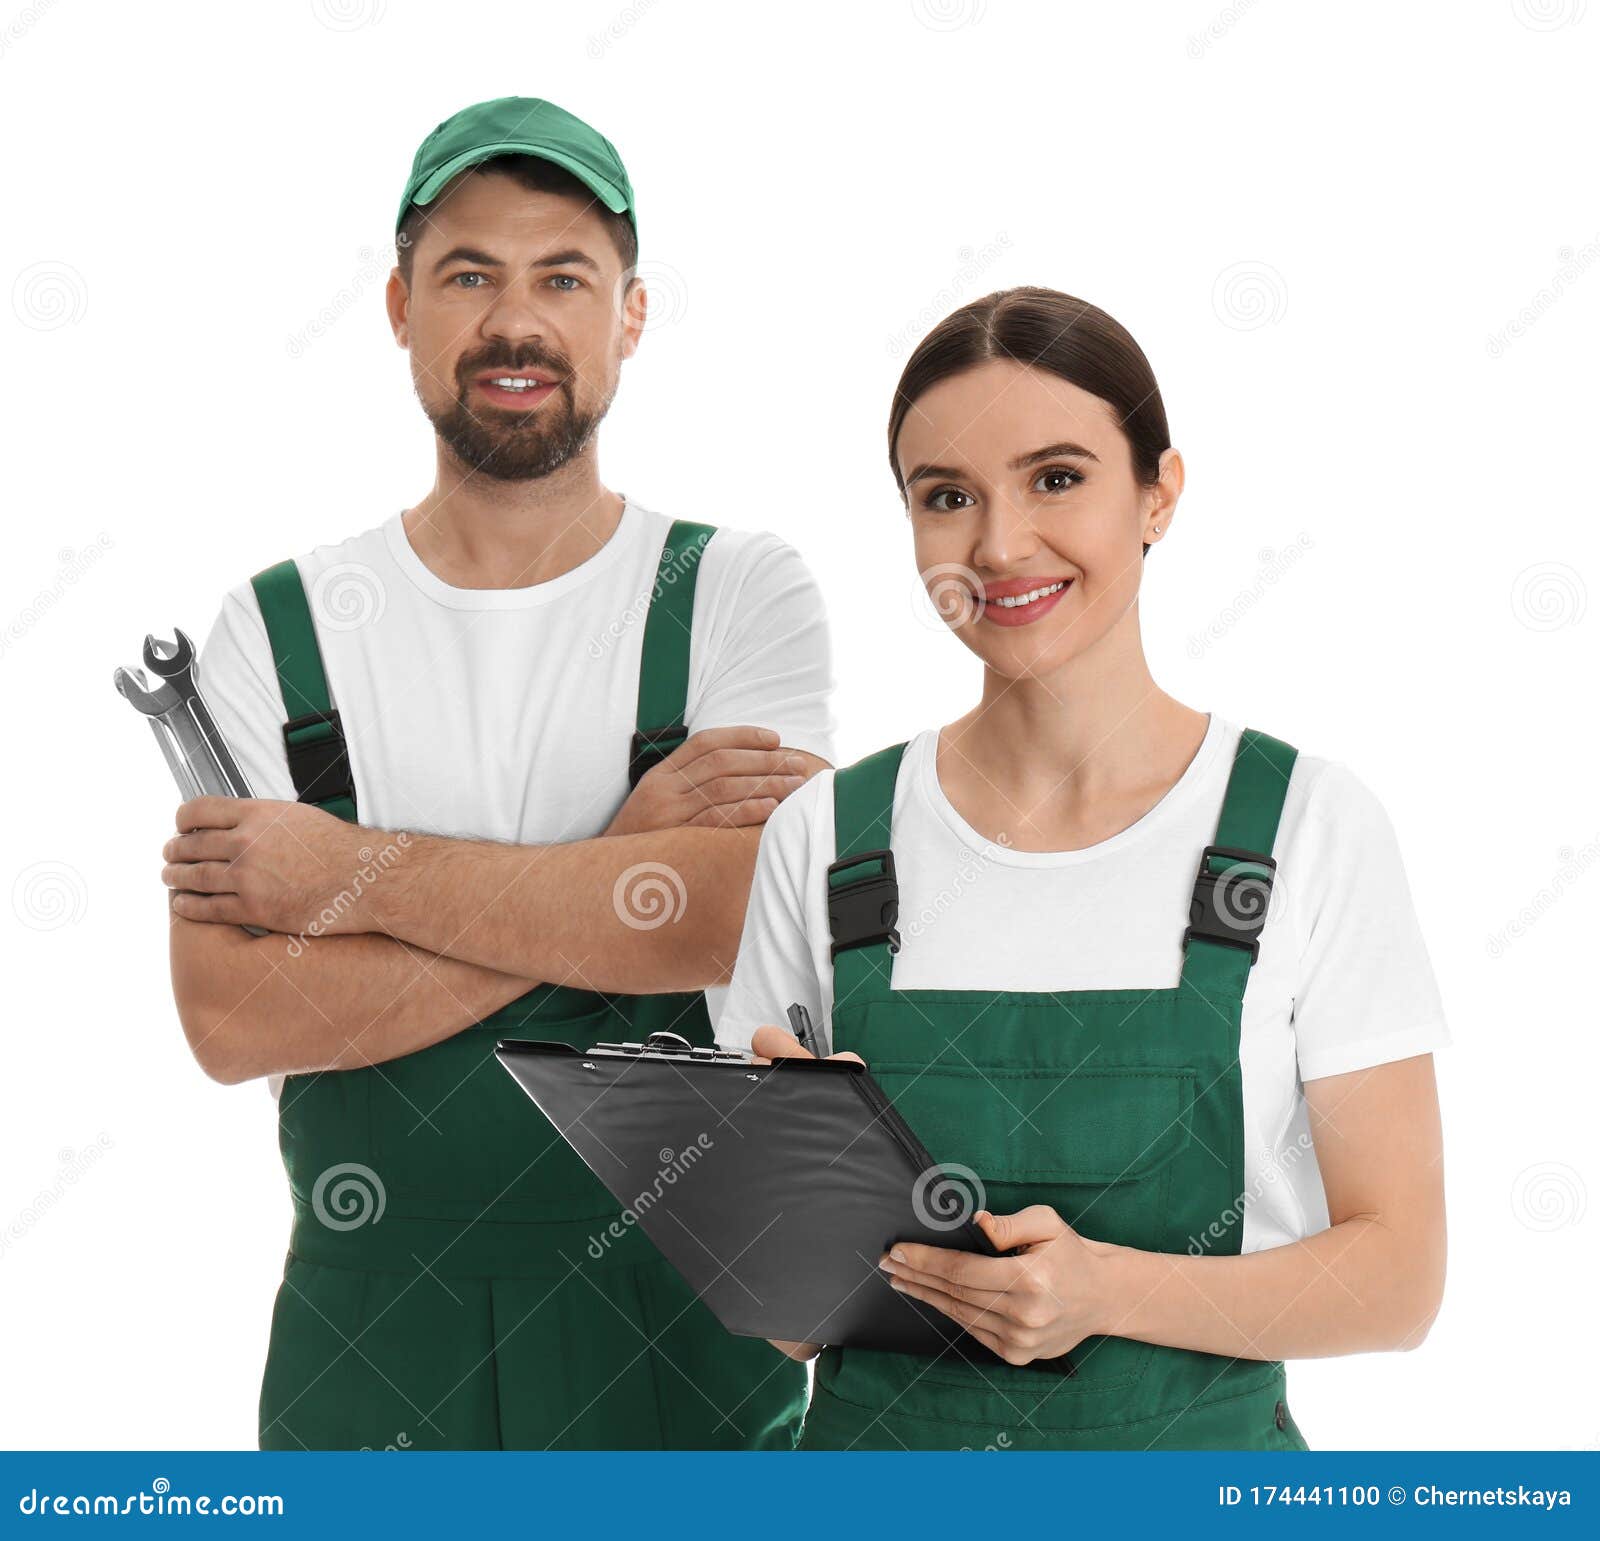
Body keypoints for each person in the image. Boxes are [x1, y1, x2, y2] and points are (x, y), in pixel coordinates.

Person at [159, 96, 830, 1451]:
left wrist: (345, 879)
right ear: (400, 306)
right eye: (469, 276)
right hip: (367, 1341)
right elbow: (234, 1017)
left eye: (563, 279)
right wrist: (615, 863)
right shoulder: (277, 629)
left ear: (630, 316)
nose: (515, 323)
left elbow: (719, 915)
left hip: (679, 1328)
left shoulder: (737, 591)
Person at [719, 287, 1450, 1451]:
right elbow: (784, 1328)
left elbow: (1398, 1279)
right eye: (946, 496)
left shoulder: (1305, 824)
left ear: (1158, 492)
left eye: (1055, 478)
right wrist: (807, 1192)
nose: (999, 545)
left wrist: (1105, 1289)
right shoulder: (824, 838)